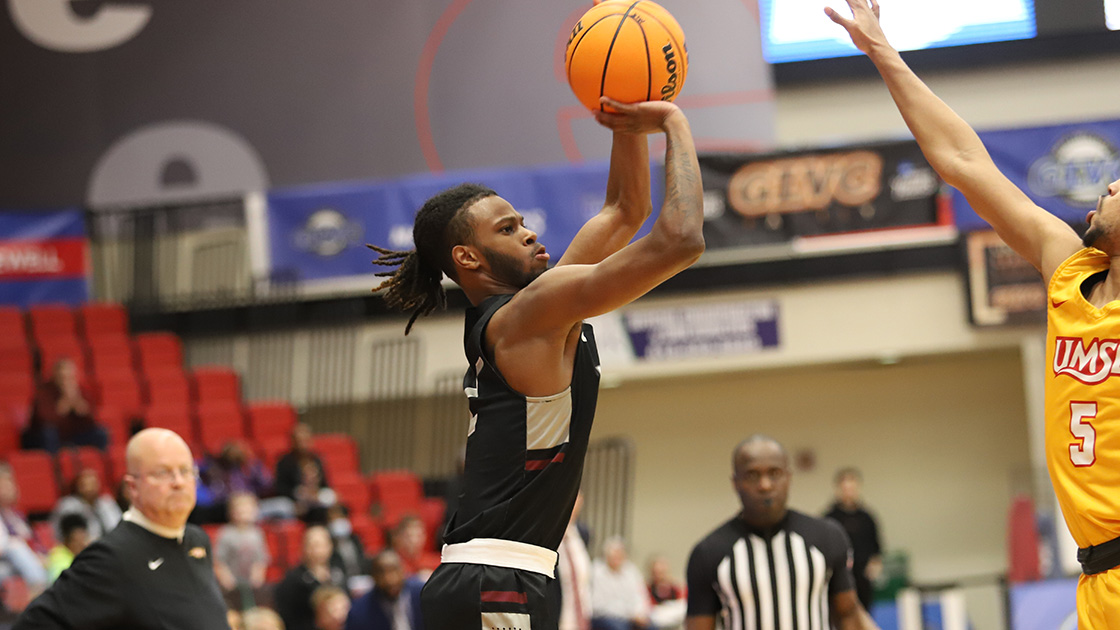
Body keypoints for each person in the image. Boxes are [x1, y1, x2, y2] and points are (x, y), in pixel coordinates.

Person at [825, 2, 1120, 626]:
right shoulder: (1069, 268)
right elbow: (964, 162)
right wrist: (883, 52)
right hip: (1098, 579)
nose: (1109, 187)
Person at [370, 96, 704, 629]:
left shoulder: (527, 312)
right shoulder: (525, 319)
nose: (528, 232)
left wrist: (627, 121)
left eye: (522, 222)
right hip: (498, 579)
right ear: (467, 258)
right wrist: (673, 123)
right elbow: (681, 239)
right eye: (506, 228)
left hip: (500, 577)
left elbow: (624, 211)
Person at [14, 427, 230, 629]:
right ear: (132, 488)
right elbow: (34, 624)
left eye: (185, 471)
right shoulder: (111, 557)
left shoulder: (197, 539)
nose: (179, 482)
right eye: (163, 473)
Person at [684, 436, 877, 630]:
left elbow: (848, 615)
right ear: (735, 482)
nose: (765, 485)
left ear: (788, 478)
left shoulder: (826, 537)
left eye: (774, 473)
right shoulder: (708, 552)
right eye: (752, 475)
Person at [824, 467, 883, 611]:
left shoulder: (867, 517)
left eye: (852, 487)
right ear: (838, 488)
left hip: (862, 578)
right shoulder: (829, 518)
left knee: (864, 613)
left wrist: (875, 565)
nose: (849, 491)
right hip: (838, 578)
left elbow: (876, 547)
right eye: (845, 487)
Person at [23, 358, 107, 453]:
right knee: (49, 434)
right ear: (55, 376)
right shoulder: (44, 392)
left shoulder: (81, 391)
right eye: (62, 377)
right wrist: (64, 405)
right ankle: (54, 465)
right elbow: (43, 420)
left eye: (70, 377)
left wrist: (81, 408)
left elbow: (92, 420)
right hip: (49, 437)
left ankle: (101, 464)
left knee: (100, 433)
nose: (66, 381)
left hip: (72, 435)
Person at [274, 525, 348, 630]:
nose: (317, 550)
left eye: (321, 545)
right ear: (303, 547)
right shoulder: (293, 580)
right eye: (312, 545)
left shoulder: (339, 571)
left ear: (330, 546)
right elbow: (289, 617)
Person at [214, 492, 271, 610]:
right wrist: (226, 578)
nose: (244, 514)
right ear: (232, 512)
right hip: (231, 585)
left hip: (251, 585)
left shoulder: (257, 533)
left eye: (248, 510)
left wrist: (258, 575)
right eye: (240, 510)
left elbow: (261, 559)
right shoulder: (226, 534)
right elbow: (219, 560)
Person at [0, 464, 49, 597]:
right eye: (4, 485)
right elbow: (4, 547)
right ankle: (40, 592)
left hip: (19, 565)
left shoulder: (16, 515)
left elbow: (32, 539)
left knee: (54, 559)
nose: (9, 488)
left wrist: (38, 553)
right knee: (15, 547)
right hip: (5, 563)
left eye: (11, 483)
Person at [344, 551, 424, 630]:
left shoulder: (422, 594)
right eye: (381, 572)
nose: (389, 579)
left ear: (403, 570)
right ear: (373, 576)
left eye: (394, 570)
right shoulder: (359, 611)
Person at [274, 424, 335, 522]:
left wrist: (317, 493)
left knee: (332, 499)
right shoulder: (285, 461)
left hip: (315, 498)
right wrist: (298, 493)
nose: (302, 444)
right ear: (293, 442)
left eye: (305, 440)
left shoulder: (316, 459)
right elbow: (280, 487)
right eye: (299, 441)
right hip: (295, 500)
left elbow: (325, 484)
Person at [590, 537, 650, 630]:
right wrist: (630, 615)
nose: (618, 558)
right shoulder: (596, 571)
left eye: (620, 554)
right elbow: (599, 605)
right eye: (614, 555)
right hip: (605, 617)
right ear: (606, 556)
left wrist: (640, 613)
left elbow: (640, 596)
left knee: (652, 626)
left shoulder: (631, 570)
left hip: (632, 617)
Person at [50, 467, 122, 541]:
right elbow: (65, 535)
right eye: (86, 485)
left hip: (110, 545)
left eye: (93, 484)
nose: (90, 489)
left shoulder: (107, 503)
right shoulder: (68, 506)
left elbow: (118, 527)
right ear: (77, 486)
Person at [557, 493, 592, 630]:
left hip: (581, 613)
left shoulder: (583, 533)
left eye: (577, 496)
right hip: (558, 611)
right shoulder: (547, 532)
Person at [388, 515, 438, 580]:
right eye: (409, 536)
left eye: (418, 536)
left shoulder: (435, 562)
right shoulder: (390, 564)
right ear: (399, 537)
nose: (414, 541)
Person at [45, 514, 89, 584]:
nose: (83, 545)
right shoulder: (59, 561)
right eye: (77, 541)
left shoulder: (81, 556)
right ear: (66, 540)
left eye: (84, 539)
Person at [646, 555, 686, 630]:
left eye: (661, 572)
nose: (659, 575)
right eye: (656, 572)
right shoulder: (647, 589)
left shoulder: (676, 588)